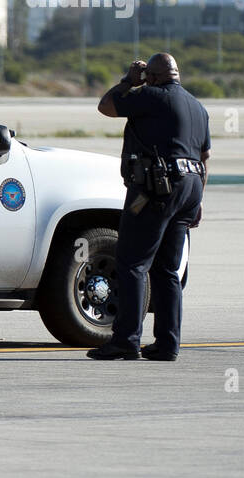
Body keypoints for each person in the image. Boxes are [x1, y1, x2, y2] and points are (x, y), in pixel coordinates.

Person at [88, 53, 209, 361]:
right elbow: (204, 156)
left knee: (132, 263)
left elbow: (106, 106)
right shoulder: (198, 107)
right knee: (167, 269)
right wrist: (198, 201)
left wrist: (130, 80)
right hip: (191, 187)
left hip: (157, 188)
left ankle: (126, 339)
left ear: (153, 76)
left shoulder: (150, 96)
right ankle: (168, 343)